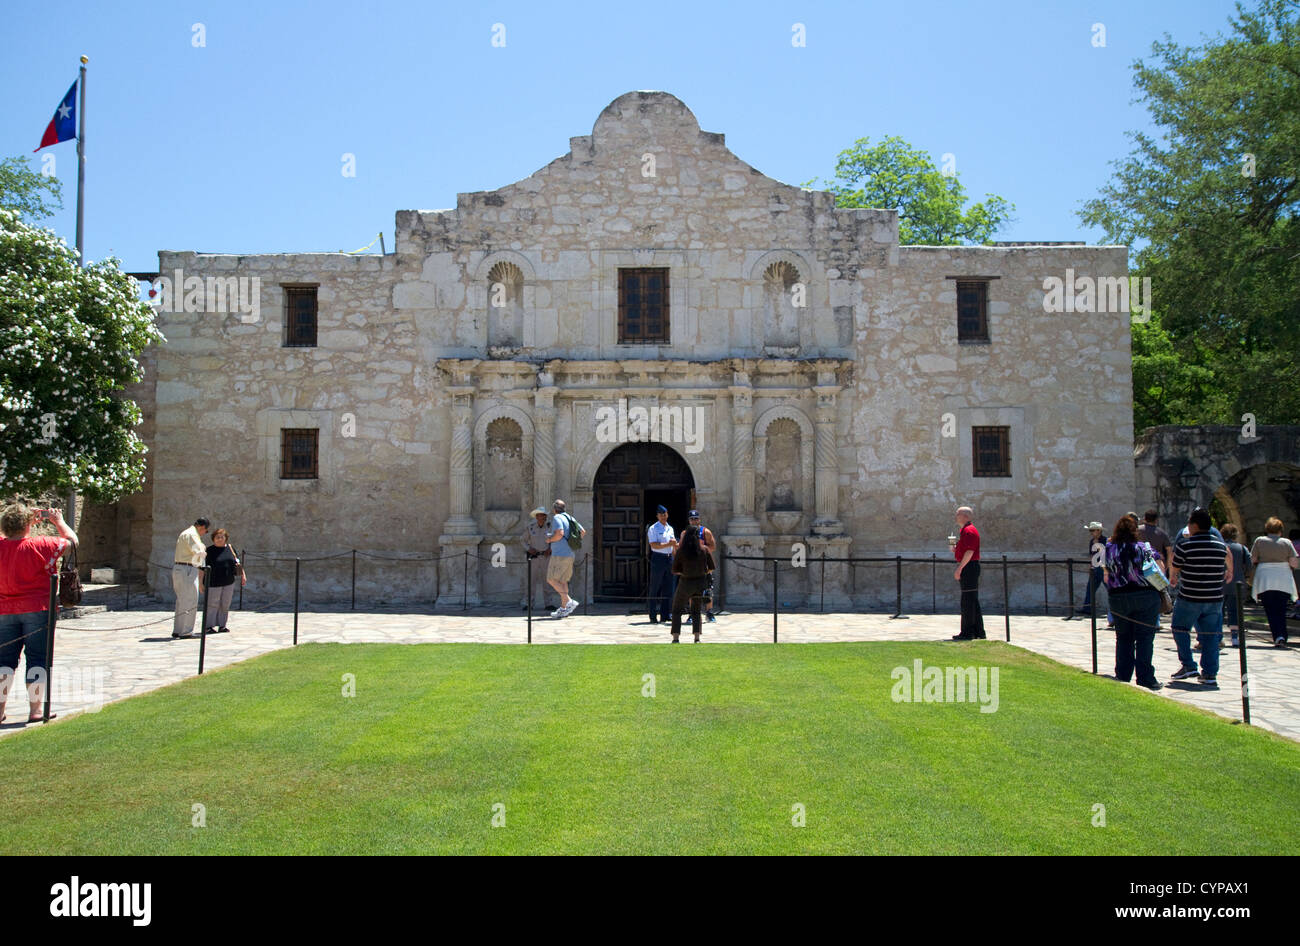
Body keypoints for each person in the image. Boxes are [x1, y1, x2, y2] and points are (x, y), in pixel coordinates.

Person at [0, 504, 78, 724]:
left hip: (4, 609)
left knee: (3, 662)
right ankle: (35, 710)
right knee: (37, 659)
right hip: (38, 609)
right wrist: (58, 521)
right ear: (27, 524)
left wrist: (22, 523)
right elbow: (73, 542)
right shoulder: (42, 544)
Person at [1168, 508, 1232, 686]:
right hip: (1214, 598)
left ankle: (1188, 664)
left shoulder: (1186, 545)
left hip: (1190, 596)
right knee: (1211, 636)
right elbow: (1228, 558)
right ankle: (1210, 673)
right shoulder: (1220, 546)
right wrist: (1230, 572)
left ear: (1195, 525)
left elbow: (1176, 566)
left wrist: (1173, 577)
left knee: (1180, 629)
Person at [1103, 514, 1163, 690]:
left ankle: (1123, 673)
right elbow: (1158, 562)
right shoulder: (1143, 548)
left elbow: (1103, 570)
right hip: (1144, 595)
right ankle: (1145, 677)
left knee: (1123, 637)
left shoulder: (1108, 549)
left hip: (1118, 596)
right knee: (1145, 638)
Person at [1249, 517, 1298, 647]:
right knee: (1281, 609)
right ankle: (1282, 635)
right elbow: (1294, 562)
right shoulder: (1286, 542)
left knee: (1270, 609)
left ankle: (1277, 635)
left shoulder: (1259, 541)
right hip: (1283, 578)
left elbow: (1252, 559)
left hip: (1265, 578)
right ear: (1280, 530)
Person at [669, 520, 715, 643]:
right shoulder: (704, 550)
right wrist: (702, 572)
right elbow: (711, 567)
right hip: (700, 583)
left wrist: (685, 572)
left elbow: (675, 569)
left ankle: (676, 636)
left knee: (677, 609)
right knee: (696, 610)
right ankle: (696, 637)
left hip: (685, 582)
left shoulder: (681, 551)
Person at [951, 505, 985, 640]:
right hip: (970, 566)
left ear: (965, 516)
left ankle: (967, 632)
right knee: (972, 599)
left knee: (967, 600)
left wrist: (960, 569)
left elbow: (970, 552)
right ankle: (978, 631)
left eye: (958, 514)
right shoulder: (965, 530)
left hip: (969, 567)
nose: (956, 516)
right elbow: (965, 549)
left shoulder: (969, 531)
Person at [201, 529, 245, 634]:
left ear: (226, 538)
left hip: (228, 581)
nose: (220, 539)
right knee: (212, 604)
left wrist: (243, 575)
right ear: (213, 539)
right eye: (217, 537)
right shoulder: (209, 551)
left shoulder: (230, 548)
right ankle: (209, 626)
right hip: (213, 582)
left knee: (225, 604)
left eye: (222, 537)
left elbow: (237, 562)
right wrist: (200, 582)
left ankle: (222, 625)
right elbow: (202, 568)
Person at [545, 499, 583, 618]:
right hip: (570, 553)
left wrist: (550, 540)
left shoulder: (557, 518)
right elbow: (582, 532)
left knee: (551, 579)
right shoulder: (570, 518)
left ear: (554, 509)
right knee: (562, 581)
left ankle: (569, 601)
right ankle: (564, 608)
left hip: (559, 554)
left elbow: (559, 533)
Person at [173, 517, 209, 639]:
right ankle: (186, 630)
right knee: (191, 599)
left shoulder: (185, 533)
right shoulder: (192, 534)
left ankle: (178, 629)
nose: (205, 533)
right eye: (206, 530)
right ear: (202, 527)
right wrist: (200, 562)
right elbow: (200, 552)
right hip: (188, 568)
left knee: (181, 600)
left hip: (179, 568)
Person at [1219, 523, 1248, 648]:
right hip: (1237, 583)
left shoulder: (1220, 547)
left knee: (1218, 611)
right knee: (1234, 611)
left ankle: (1218, 636)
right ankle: (1235, 637)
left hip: (1220, 583)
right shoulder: (1241, 548)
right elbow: (1249, 565)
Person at [520, 507, 554, 612]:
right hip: (534, 557)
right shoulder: (530, 528)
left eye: (544, 515)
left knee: (547, 581)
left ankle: (548, 603)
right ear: (536, 517)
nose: (542, 517)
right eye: (540, 515)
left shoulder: (550, 528)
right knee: (531, 580)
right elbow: (522, 540)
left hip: (546, 556)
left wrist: (550, 548)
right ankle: (529, 603)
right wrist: (529, 549)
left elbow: (555, 540)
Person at [646, 505, 676, 624]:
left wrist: (675, 553)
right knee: (655, 587)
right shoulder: (653, 528)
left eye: (665, 514)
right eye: (661, 515)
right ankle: (653, 615)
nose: (663, 517)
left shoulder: (670, 528)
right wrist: (668, 544)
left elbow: (673, 544)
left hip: (669, 559)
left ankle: (665, 614)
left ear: (667, 514)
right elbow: (653, 545)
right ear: (657, 516)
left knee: (668, 588)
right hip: (658, 559)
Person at [687, 510, 718, 622]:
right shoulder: (686, 533)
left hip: (704, 565)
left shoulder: (705, 532)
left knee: (708, 589)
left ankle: (709, 613)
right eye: (692, 519)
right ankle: (692, 614)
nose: (694, 521)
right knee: (691, 590)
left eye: (696, 519)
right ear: (689, 520)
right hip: (691, 566)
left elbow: (713, 546)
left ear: (699, 519)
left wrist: (701, 550)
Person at [1077, 521, 1105, 615]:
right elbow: (1092, 555)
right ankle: (1087, 608)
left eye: (1093, 530)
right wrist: (1091, 566)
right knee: (1090, 588)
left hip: (1103, 568)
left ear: (1098, 531)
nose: (1091, 533)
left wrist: (1098, 545)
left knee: (1110, 588)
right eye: (1090, 531)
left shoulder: (1105, 541)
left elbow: (1105, 555)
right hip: (1095, 567)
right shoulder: (1091, 542)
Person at [1137, 510, 1172, 576]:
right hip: (1157, 567)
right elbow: (1169, 551)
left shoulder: (1137, 531)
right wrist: (1166, 566)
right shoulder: (1162, 533)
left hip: (1139, 565)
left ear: (1145, 518)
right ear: (1156, 520)